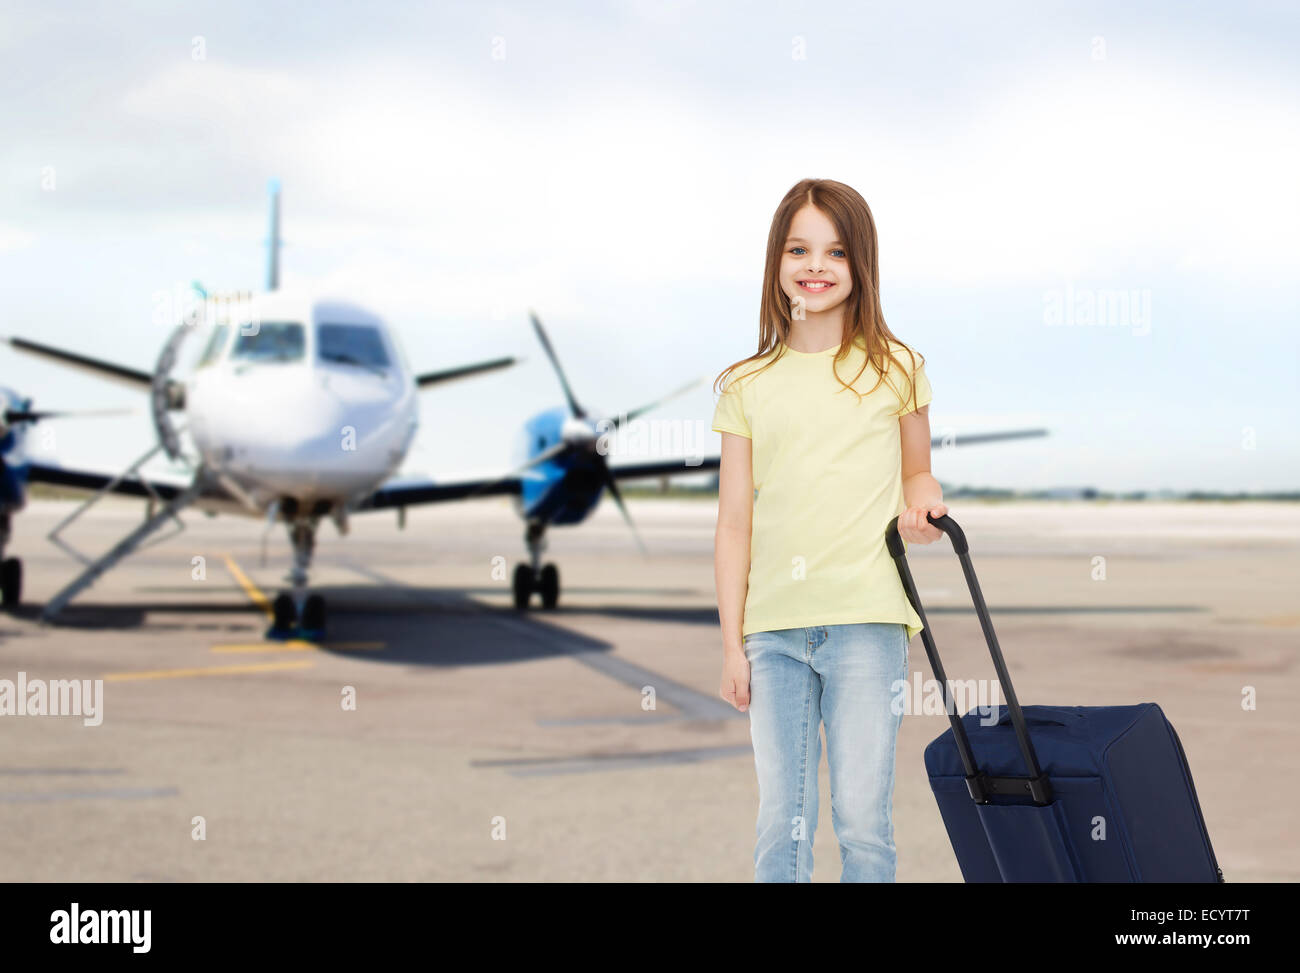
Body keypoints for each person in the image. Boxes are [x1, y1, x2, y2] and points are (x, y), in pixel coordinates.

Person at [712, 178, 947, 883]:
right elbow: (733, 522)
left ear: (860, 265)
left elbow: (918, 474)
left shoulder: (897, 367)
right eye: (799, 248)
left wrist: (925, 507)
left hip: (868, 622)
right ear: (777, 262)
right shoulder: (745, 385)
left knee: (863, 823)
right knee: (781, 823)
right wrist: (732, 643)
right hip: (773, 632)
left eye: (835, 251)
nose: (815, 265)